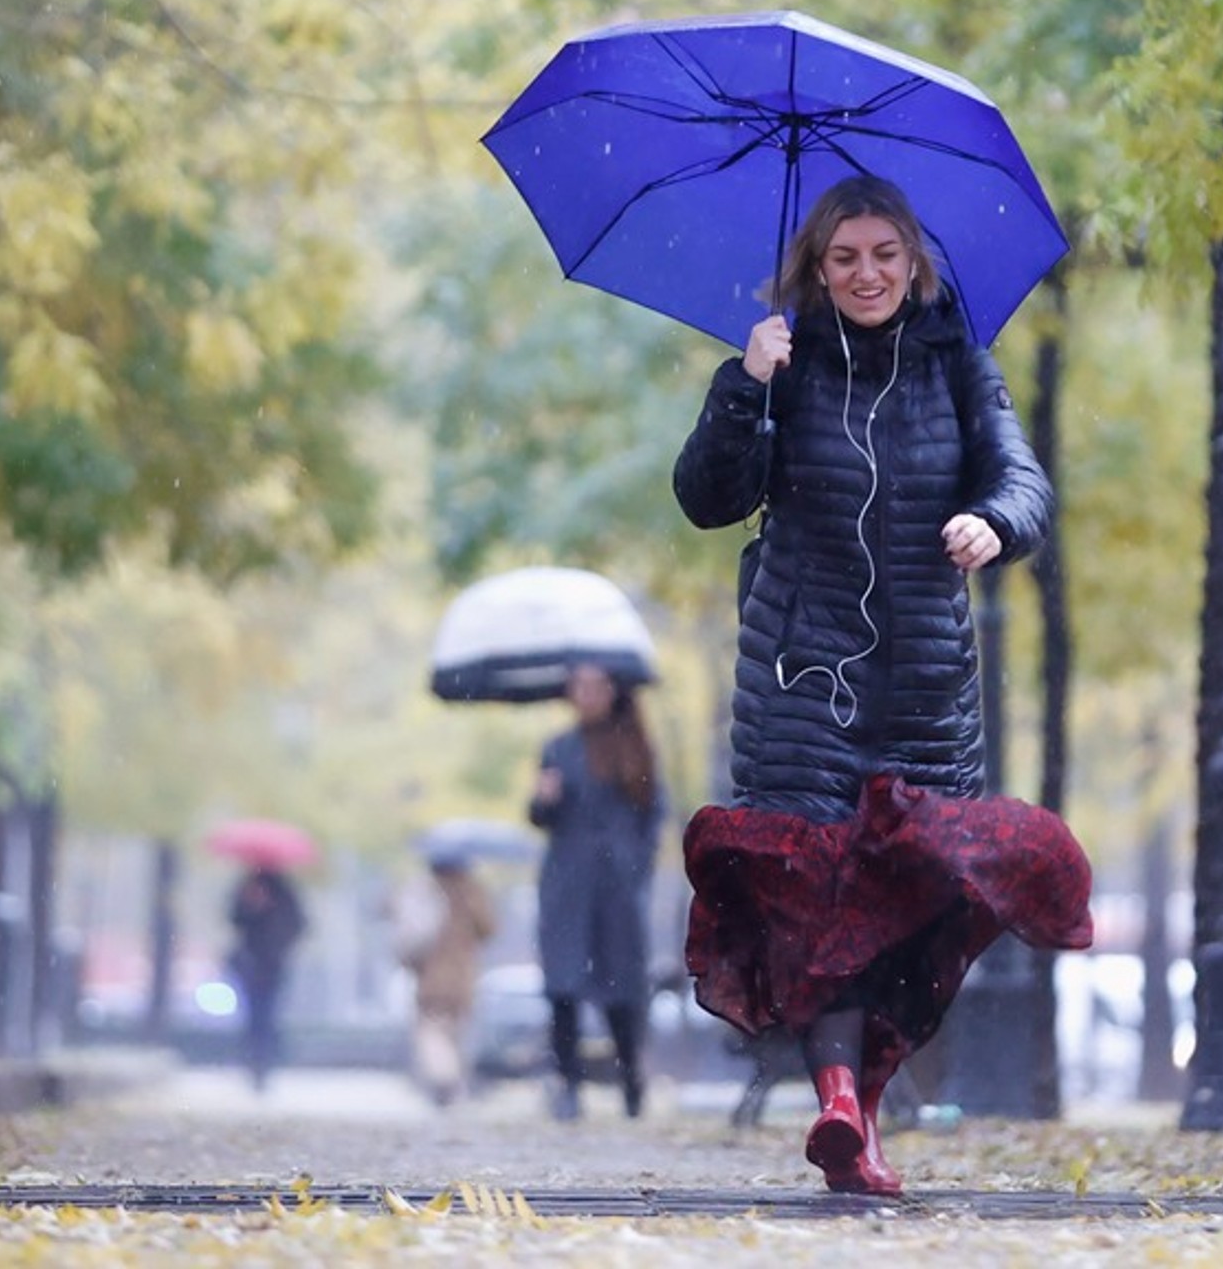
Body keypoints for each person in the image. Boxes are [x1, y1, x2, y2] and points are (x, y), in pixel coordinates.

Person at [672, 174, 1093, 1196]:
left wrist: (996, 521)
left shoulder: (957, 364)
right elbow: (707, 498)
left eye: (884, 256)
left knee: (912, 903)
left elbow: (1023, 479)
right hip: (802, 688)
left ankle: (852, 1107)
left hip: (925, 695)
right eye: (845, 257)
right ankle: (842, 1106)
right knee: (824, 908)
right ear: (818, 268)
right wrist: (744, 384)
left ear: (914, 264)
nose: (866, 274)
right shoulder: (783, 359)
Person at [527, 661, 664, 1121]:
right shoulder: (558, 749)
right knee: (563, 985)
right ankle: (567, 1083)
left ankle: (631, 1081)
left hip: (616, 888)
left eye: (593, 686)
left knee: (620, 989)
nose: (584, 695)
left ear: (612, 691)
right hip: (567, 884)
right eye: (577, 686)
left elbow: (652, 817)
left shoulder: (636, 748)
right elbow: (539, 817)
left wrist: (634, 869)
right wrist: (542, 799)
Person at [399, 857, 497, 1106]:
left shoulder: (426, 891)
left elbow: (408, 935)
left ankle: (445, 1079)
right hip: (463, 975)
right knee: (454, 1032)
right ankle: (451, 1082)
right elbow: (488, 930)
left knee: (432, 1030)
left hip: (431, 974)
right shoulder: (472, 892)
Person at [226, 866, 306, 1093]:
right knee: (254, 1013)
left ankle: (263, 1062)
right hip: (251, 963)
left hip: (273, 965)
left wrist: (271, 913)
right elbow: (234, 919)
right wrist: (250, 906)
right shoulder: (246, 887)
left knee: (267, 1013)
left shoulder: (285, 893)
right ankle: (254, 1061)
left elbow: (298, 924)